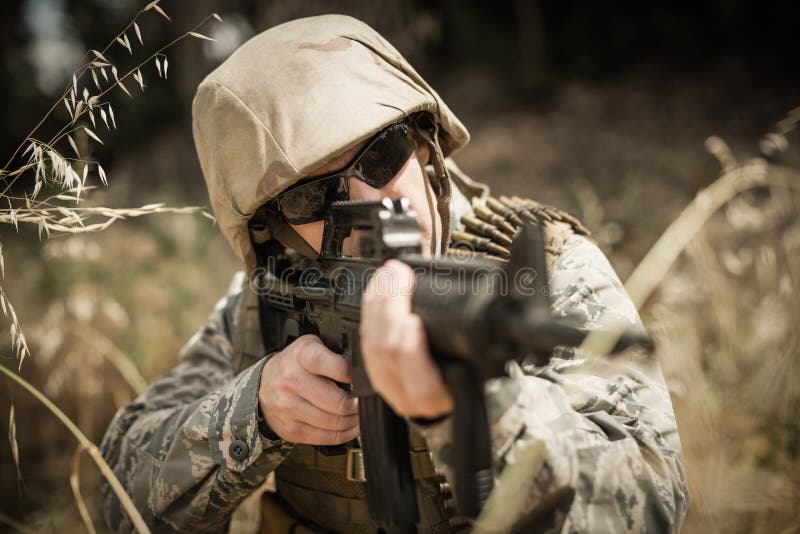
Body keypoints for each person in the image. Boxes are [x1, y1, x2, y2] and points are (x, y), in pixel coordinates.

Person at [100, 14, 688, 533]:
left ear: (424, 146)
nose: (370, 203)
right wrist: (255, 413)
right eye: (310, 197)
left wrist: (481, 408)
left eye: (380, 155)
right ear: (271, 228)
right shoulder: (261, 308)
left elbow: (651, 503)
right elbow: (117, 499)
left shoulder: (542, 270)